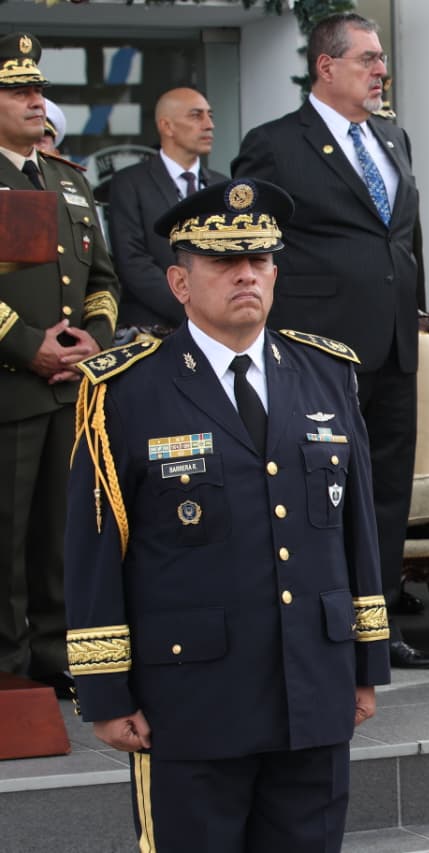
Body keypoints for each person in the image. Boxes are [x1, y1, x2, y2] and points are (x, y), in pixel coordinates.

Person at [64, 177, 390, 850]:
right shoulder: (126, 388)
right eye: (224, 262)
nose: (247, 274)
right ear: (180, 283)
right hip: (189, 700)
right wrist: (104, 690)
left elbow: (357, 533)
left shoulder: (327, 372)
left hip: (313, 691)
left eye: (261, 259)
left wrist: (366, 661)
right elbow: (94, 548)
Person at [233, 13, 429, 668]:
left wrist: (418, 311)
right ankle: (314, 627)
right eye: (368, 59)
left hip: (393, 344)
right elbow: (250, 246)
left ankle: (376, 629)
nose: (382, 70)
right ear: (326, 67)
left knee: (384, 490)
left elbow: (400, 239)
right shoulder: (274, 143)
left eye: (382, 59)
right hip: (315, 346)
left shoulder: (392, 137)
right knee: (315, 486)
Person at [0, 33, 119, 696]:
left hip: (68, 386)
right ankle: (7, 667)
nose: (34, 99)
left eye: (38, 89)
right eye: (18, 90)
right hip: (10, 386)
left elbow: (101, 275)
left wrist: (92, 339)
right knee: (6, 538)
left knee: (59, 535)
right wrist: (28, 344)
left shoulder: (69, 181)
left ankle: (52, 655)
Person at [109, 87, 227, 334]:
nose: (209, 125)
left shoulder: (222, 185)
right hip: (151, 326)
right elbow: (133, 262)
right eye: (196, 115)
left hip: (216, 327)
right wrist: (193, 309)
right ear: (167, 126)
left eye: (210, 115)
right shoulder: (130, 183)